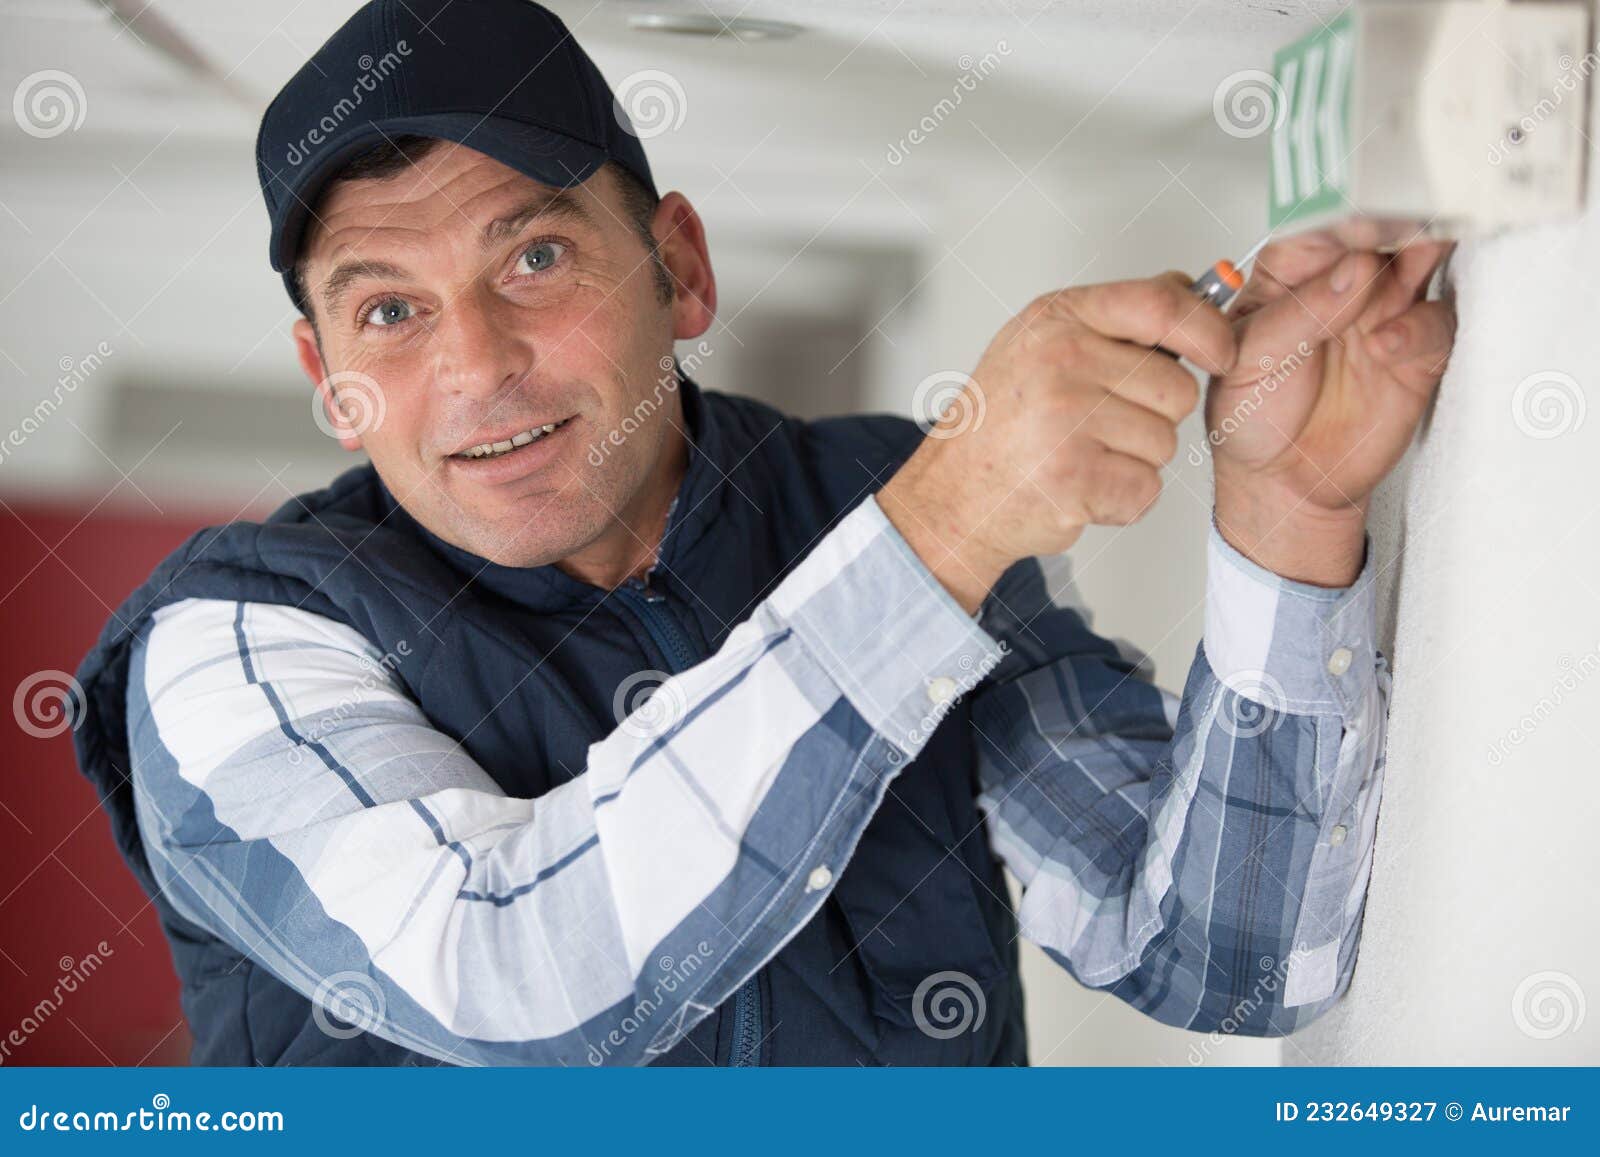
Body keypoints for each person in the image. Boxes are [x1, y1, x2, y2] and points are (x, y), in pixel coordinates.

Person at [72, 0, 1455, 1066]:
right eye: (390, 309)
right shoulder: (234, 645)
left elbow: (1227, 955)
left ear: (682, 266)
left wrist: (1288, 510)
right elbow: (515, 976)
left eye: (534, 258)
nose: (479, 364)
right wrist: (941, 526)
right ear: (331, 382)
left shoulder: (874, 502)